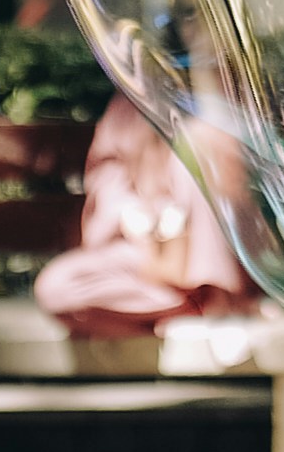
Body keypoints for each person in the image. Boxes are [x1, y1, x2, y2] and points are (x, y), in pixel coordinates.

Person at [35, 92, 255, 337]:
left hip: (211, 258)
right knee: (58, 287)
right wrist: (128, 212)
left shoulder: (225, 95)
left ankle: (211, 301)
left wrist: (184, 211)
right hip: (142, 255)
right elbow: (108, 169)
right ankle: (188, 309)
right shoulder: (127, 103)